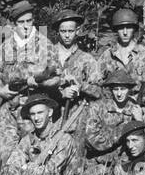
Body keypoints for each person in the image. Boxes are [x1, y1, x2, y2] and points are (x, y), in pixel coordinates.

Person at [0, 0, 57, 161]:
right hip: (10, 109)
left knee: (31, 158)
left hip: (34, 111)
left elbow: (57, 78)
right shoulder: (5, 47)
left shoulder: (45, 45)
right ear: (14, 24)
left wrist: (41, 83)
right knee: (2, 157)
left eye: (29, 21)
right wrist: (0, 90)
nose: (26, 25)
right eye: (21, 22)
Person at [39, 8, 103, 145]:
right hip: (47, 114)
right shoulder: (46, 55)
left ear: (77, 31)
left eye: (71, 31)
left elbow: (98, 91)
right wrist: (61, 92)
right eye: (63, 31)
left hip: (75, 115)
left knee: (74, 156)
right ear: (57, 32)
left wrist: (80, 87)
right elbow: (36, 82)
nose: (67, 35)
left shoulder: (86, 59)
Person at [97, 8, 145, 108]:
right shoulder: (108, 55)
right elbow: (95, 82)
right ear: (116, 29)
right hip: (113, 109)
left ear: (134, 28)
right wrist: (106, 98)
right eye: (121, 28)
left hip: (139, 108)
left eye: (128, 27)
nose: (125, 32)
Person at [84, 68, 145, 167]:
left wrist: (140, 121)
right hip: (99, 162)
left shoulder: (136, 109)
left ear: (129, 90)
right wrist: (121, 132)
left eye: (123, 89)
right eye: (115, 89)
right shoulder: (97, 107)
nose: (119, 94)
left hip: (126, 160)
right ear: (111, 90)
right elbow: (92, 141)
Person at [7, 93, 75, 175]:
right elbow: (12, 164)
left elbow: (51, 170)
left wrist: (27, 170)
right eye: (32, 114)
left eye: (40, 113)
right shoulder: (28, 139)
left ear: (50, 112)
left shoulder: (64, 139)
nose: (36, 118)